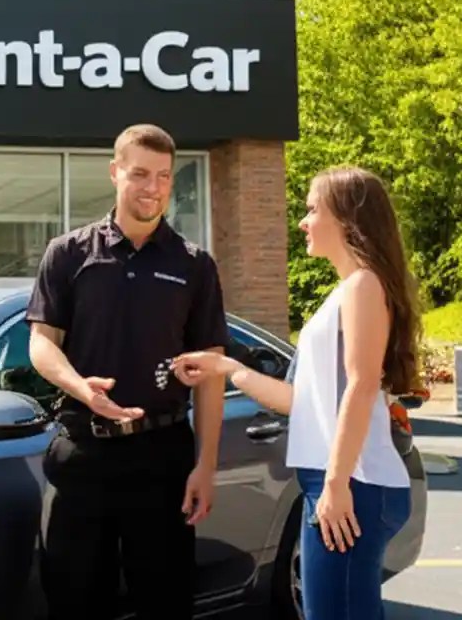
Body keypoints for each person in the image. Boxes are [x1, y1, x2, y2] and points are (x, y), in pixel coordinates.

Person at [173, 165, 418, 619]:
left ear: (346, 218)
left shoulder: (363, 285)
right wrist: (227, 367)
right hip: (339, 484)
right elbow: (302, 403)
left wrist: (336, 484)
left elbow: (362, 385)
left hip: (353, 486)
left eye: (311, 210)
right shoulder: (350, 288)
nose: (303, 222)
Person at [26, 123, 230, 620]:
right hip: (84, 451)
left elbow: (211, 373)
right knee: (75, 603)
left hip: (163, 460)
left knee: (164, 604)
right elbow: (40, 345)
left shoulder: (194, 265)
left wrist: (205, 465)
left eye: (163, 176)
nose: (153, 187)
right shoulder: (69, 253)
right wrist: (80, 388)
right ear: (115, 172)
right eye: (140, 174)